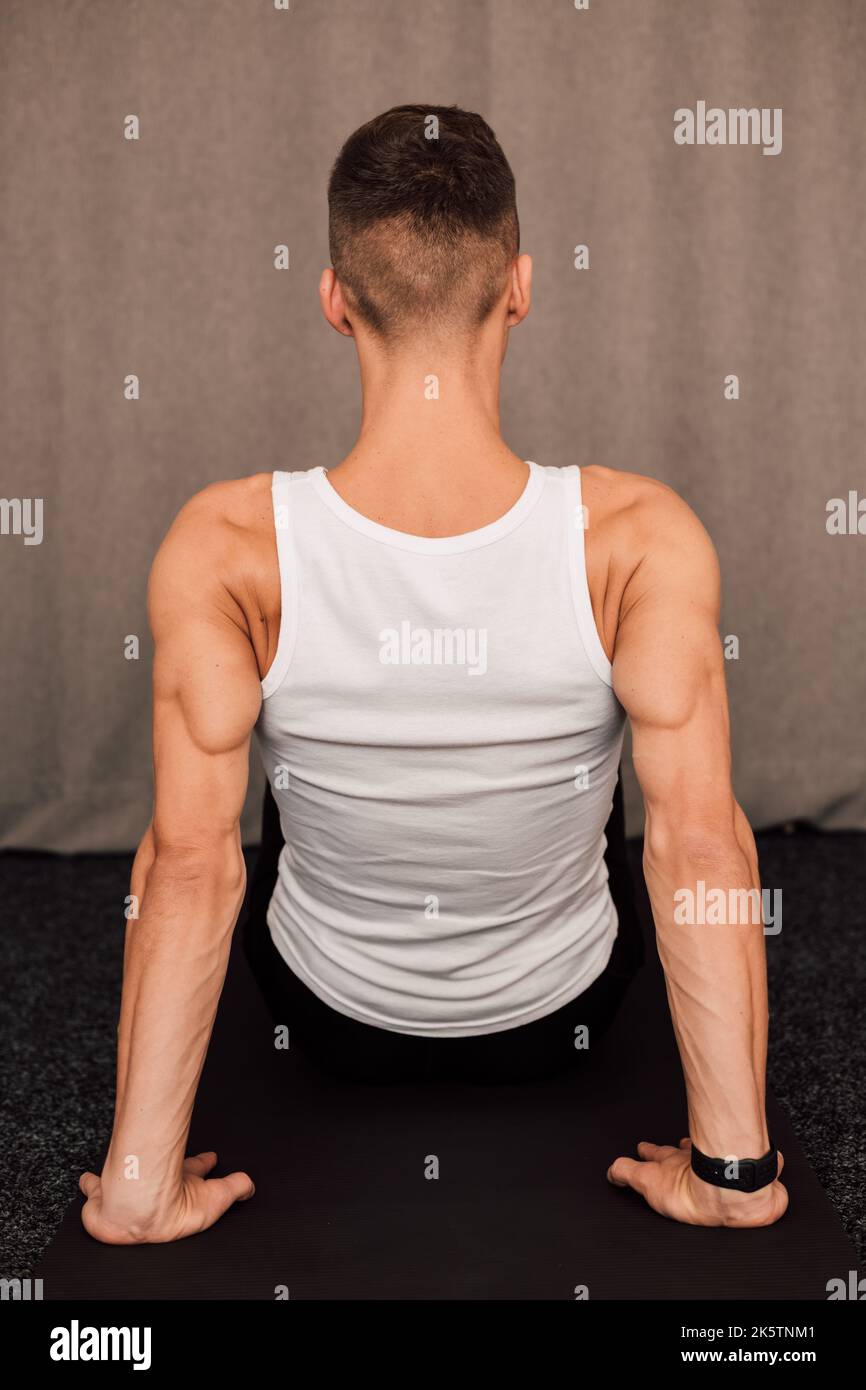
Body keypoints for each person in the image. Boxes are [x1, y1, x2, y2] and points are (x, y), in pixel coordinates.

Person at [79, 105, 787, 1246]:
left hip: (327, 1023)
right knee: (672, 806)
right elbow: (699, 847)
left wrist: (136, 1184)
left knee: (218, 817)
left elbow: (190, 864)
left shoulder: (224, 546)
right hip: (563, 1016)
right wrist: (733, 1173)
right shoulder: (637, 535)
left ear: (333, 298)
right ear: (517, 287)